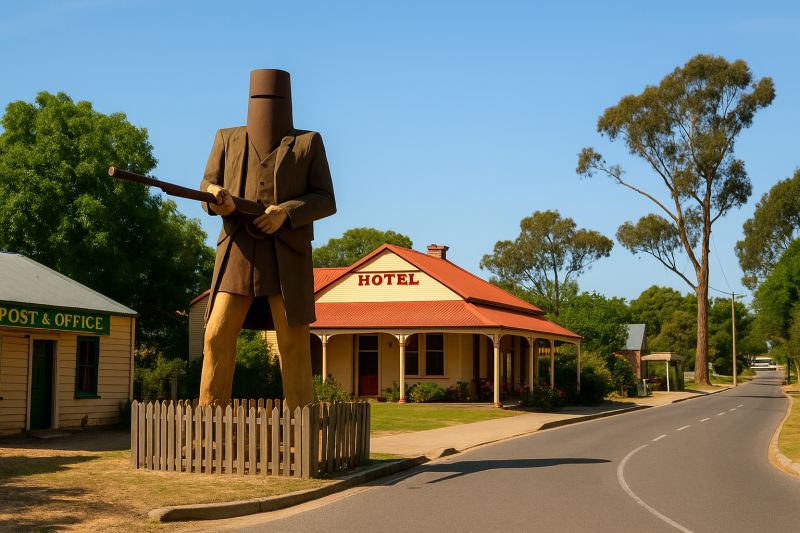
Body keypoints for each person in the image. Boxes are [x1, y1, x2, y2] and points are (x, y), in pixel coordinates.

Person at [199, 69, 336, 408]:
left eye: (272, 98)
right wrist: (217, 197)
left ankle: (302, 429)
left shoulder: (308, 142)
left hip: (286, 257)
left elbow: (326, 199)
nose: (265, 105)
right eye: (259, 98)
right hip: (237, 252)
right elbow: (206, 187)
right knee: (216, 335)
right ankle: (208, 429)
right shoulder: (226, 138)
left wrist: (285, 213)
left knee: (292, 343)